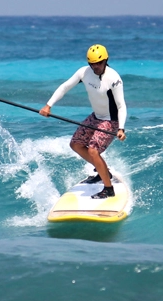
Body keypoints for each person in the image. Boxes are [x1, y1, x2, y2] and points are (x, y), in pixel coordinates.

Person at [40, 44, 127, 199]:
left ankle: (108, 189)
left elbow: (121, 105)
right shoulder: (84, 73)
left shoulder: (114, 79)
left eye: (99, 63)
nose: (95, 67)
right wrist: (48, 105)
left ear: (105, 61)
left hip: (111, 121)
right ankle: (103, 172)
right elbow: (65, 87)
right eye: (92, 64)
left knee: (93, 150)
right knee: (76, 144)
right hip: (96, 116)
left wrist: (121, 128)